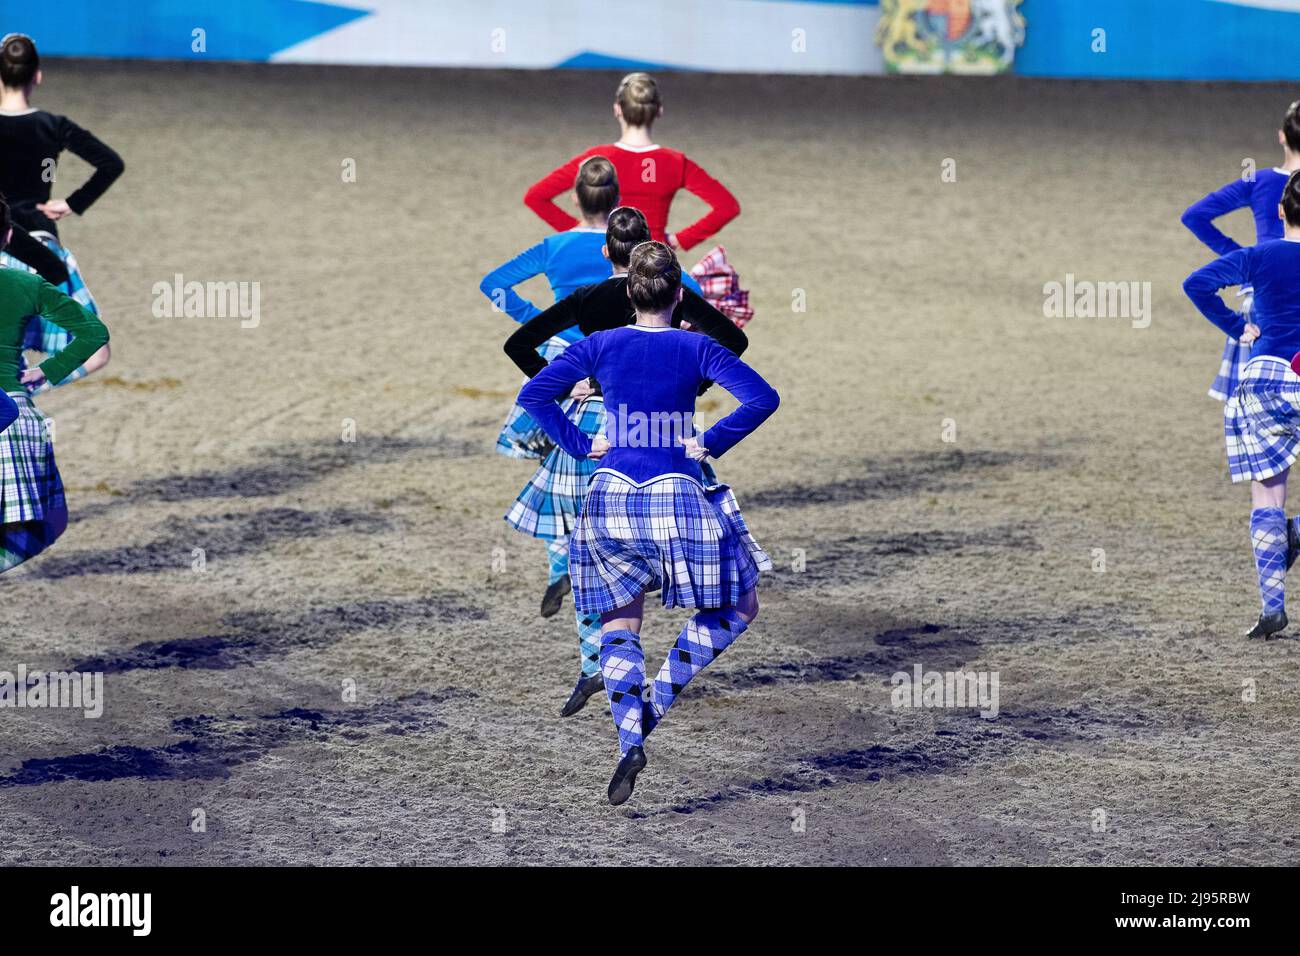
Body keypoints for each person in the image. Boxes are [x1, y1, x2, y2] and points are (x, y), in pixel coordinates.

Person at [517, 241, 778, 805]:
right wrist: (709, 442)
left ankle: (629, 737)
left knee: (618, 622)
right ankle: (656, 703)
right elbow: (763, 398)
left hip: (610, 495)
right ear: (679, 295)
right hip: (677, 494)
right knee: (741, 605)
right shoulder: (695, 345)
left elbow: (534, 393)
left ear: (630, 295)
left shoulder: (602, 343)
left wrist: (582, 444)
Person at [0, 197, 111, 572]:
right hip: (10, 425)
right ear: (9, 236)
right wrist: (48, 370)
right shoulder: (24, 283)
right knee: (45, 522)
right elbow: (94, 336)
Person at [1182, 100, 1300, 400]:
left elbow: (1195, 216)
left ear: (1282, 136)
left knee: (1252, 404)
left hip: (1262, 297)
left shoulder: (1258, 180)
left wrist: (1240, 256)